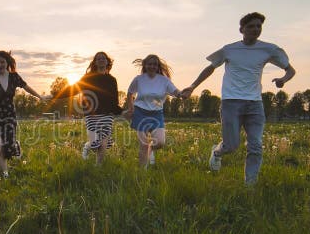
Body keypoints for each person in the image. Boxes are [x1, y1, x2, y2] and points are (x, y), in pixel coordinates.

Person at [181, 12, 296, 185]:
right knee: (232, 146)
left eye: (259, 26)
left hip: (255, 104)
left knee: (255, 145)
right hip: (230, 103)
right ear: (241, 29)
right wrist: (192, 86)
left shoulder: (269, 49)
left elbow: (290, 70)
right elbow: (210, 68)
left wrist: (283, 80)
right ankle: (217, 152)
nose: (255, 29)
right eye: (251, 26)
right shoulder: (229, 49)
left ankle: (250, 185)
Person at [0, 51, 45, 178]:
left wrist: (40, 96)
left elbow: (26, 87)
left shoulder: (14, 77)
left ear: (7, 63)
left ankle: (14, 145)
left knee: (7, 147)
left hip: (9, 115)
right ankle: (5, 175)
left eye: (2, 62)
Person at [57, 52, 122, 165]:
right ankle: (87, 146)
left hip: (107, 114)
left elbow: (114, 98)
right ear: (95, 62)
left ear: (107, 61)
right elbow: (73, 88)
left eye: (103, 58)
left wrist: (121, 111)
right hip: (91, 113)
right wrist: (55, 96)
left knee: (103, 143)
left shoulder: (112, 80)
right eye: (98, 59)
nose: (101, 60)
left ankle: (98, 167)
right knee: (94, 144)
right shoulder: (88, 78)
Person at [124, 54, 181, 169]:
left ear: (158, 66)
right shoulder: (139, 79)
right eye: (149, 64)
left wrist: (181, 94)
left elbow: (175, 91)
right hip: (140, 112)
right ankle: (142, 172)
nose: (152, 66)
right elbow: (130, 93)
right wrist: (131, 108)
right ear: (145, 65)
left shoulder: (164, 80)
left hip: (156, 114)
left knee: (160, 142)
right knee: (143, 145)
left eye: (155, 64)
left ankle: (151, 150)